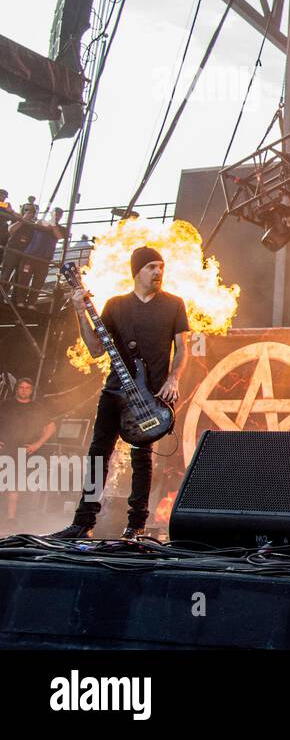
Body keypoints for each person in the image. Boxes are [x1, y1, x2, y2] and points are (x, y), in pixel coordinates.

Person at [50, 247, 189, 540]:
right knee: (98, 455)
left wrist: (174, 378)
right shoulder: (115, 305)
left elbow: (182, 349)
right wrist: (79, 312)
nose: (158, 272)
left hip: (149, 395)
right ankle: (82, 522)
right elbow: (96, 349)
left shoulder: (174, 305)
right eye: (152, 266)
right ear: (137, 271)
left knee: (142, 456)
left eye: (161, 266)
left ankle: (136, 525)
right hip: (114, 391)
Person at [0, 378, 55, 528]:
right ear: (17, 389)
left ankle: (11, 519)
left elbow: (51, 427)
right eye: (21, 387)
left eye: (27, 388)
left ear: (31, 391)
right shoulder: (5, 404)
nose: (24, 390)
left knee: (15, 484)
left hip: (23, 451)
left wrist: (37, 444)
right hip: (4, 449)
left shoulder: (37, 408)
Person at [1, 204, 38, 302]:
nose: (29, 213)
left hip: (25, 254)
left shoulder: (34, 224)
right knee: (6, 274)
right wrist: (22, 220)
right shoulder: (17, 219)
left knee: (18, 278)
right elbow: (11, 230)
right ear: (23, 211)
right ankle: (0, 297)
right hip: (12, 251)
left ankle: (13, 300)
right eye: (27, 210)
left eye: (32, 211)